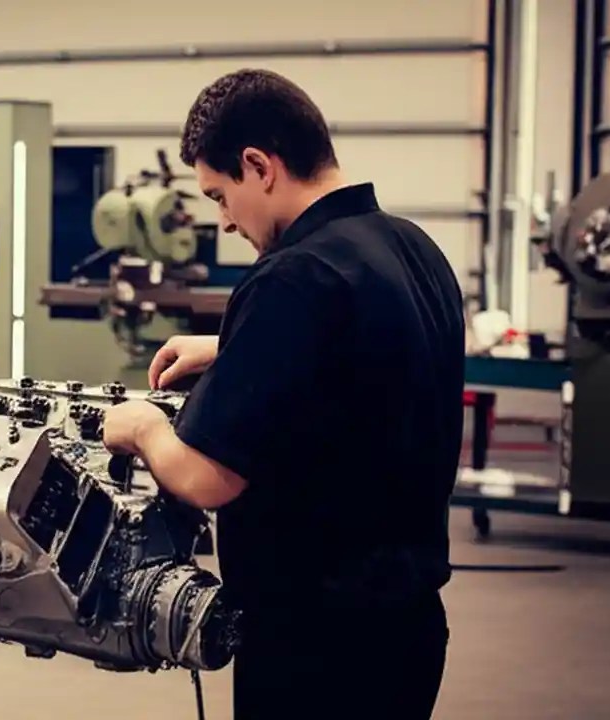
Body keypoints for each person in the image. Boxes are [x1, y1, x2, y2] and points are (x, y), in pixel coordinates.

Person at [101, 69, 463, 719]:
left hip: (316, 647)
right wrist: (233, 349)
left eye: (219, 195)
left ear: (258, 166)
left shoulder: (293, 275)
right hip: (407, 630)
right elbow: (371, 357)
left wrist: (138, 427)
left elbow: (207, 479)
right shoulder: (411, 248)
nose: (225, 220)